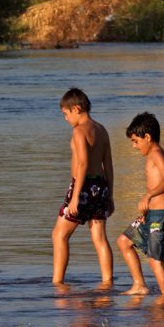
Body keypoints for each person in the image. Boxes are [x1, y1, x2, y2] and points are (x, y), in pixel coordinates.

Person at [52, 87, 114, 289]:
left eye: (66, 114)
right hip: (101, 186)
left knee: (59, 235)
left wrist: (75, 197)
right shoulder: (102, 130)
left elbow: (82, 164)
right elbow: (109, 166)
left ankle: (58, 283)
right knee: (99, 237)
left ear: (76, 108)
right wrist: (110, 196)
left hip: (83, 187)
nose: (66, 119)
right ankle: (107, 281)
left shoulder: (79, 131)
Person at [117, 112, 164, 296]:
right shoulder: (151, 155)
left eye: (136, 141)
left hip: (161, 216)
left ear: (148, 137)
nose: (134, 146)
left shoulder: (157, 154)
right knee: (124, 241)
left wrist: (148, 196)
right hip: (152, 214)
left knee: (155, 261)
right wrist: (147, 208)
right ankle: (139, 285)